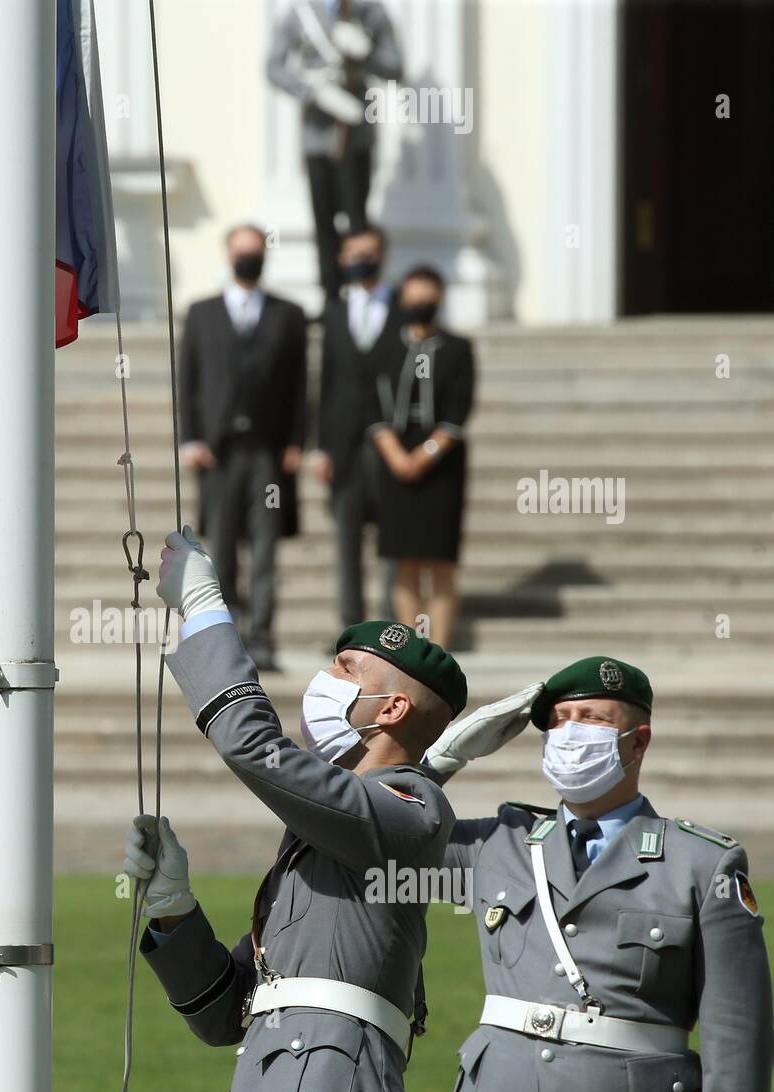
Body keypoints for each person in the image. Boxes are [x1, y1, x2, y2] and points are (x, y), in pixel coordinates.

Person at [123, 526, 467, 1092]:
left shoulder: (411, 807)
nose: (327, 680)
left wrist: (209, 609)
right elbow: (226, 1015)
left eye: (347, 668)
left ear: (393, 710)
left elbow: (254, 747)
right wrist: (173, 911)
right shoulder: (330, 835)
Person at [419, 657, 772, 1092]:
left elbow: (739, 1036)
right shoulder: (496, 843)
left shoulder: (703, 863)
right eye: (558, 721)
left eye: (590, 719)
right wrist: (437, 764)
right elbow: (368, 832)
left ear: (638, 741)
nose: (570, 733)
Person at [180, 224, 306, 672]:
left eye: (255, 251)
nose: (248, 258)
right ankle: (228, 639)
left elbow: (299, 385)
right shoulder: (201, 313)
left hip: (268, 453)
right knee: (222, 546)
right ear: (228, 254)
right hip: (219, 452)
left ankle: (264, 636)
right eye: (242, 251)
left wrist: (296, 441)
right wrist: (190, 438)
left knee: (266, 548)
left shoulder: (288, 315)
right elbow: (189, 381)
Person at [365, 264, 475, 648]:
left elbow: (458, 410)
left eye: (427, 297)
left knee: (439, 561)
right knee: (404, 559)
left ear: (440, 298)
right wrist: (396, 456)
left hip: (441, 463)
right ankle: (412, 648)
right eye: (413, 297)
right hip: (395, 459)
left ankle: (440, 648)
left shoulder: (459, 349)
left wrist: (425, 455)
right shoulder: (386, 347)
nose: (419, 304)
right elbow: (373, 406)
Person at [266, 1, 402, 300]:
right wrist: (311, 92)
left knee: (357, 221)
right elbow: (273, 67)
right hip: (317, 135)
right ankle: (331, 300)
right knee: (323, 222)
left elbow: (395, 68)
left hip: (356, 135)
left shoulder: (369, 10)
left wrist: (366, 53)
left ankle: (362, 295)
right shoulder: (301, 12)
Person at [315, 224, 400, 630]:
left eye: (369, 252)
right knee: (346, 542)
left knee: (392, 543)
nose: (361, 260)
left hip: (393, 443)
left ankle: (390, 628)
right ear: (341, 259)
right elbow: (326, 382)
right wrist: (321, 447)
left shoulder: (403, 307)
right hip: (345, 445)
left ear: (383, 255)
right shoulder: (333, 310)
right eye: (353, 253)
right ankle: (350, 628)